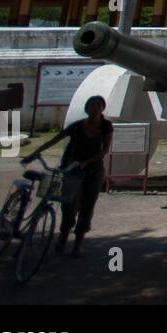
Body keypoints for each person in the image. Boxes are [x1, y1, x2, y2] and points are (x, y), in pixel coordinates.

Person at [21, 95, 112, 257]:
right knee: (69, 205)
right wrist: (35, 153)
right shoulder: (77, 127)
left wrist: (87, 162)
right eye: (92, 105)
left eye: (99, 105)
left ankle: (78, 243)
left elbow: (104, 151)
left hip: (93, 171)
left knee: (87, 206)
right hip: (72, 169)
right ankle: (63, 237)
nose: (95, 108)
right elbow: (55, 139)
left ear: (102, 108)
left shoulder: (106, 126)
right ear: (87, 107)